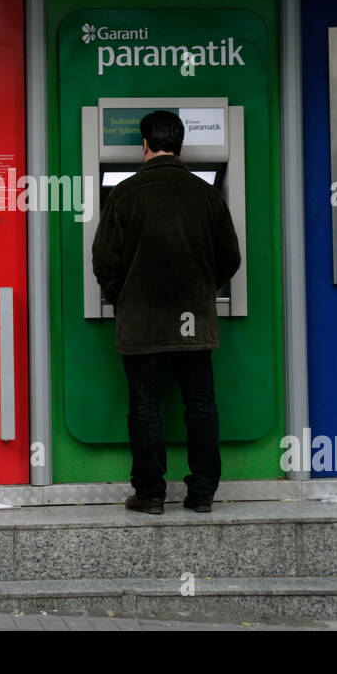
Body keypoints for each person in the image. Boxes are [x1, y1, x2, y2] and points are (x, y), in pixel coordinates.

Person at [91, 110, 242, 514]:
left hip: (141, 318)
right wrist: (201, 288)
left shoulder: (123, 193)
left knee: (144, 405)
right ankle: (203, 493)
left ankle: (151, 494)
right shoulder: (207, 194)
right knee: (201, 404)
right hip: (194, 316)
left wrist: (121, 296)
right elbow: (230, 257)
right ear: (181, 144)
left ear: (144, 145)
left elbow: (104, 260)